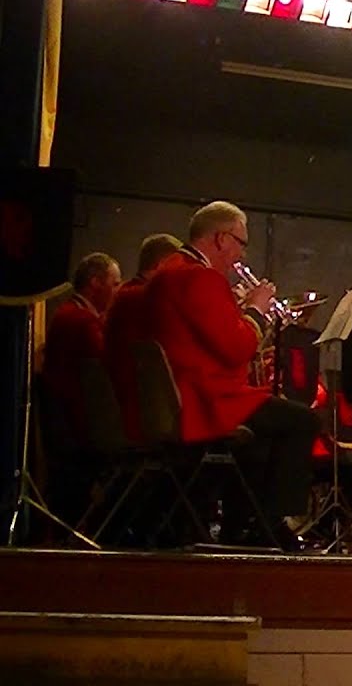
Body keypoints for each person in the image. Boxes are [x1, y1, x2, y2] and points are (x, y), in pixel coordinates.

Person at [143, 201, 319, 546]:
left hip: (186, 391)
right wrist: (254, 309)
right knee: (304, 421)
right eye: (240, 242)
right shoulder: (200, 277)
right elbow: (236, 348)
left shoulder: (170, 271)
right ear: (221, 238)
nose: (240, 255)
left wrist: (235, 311)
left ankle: (246, 522)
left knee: (266, 434)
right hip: (205, 398)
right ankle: (270, 522)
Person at [42, 252, 121, 522]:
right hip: (78, 424)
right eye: (114, 283)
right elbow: (106, 373)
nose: (117, 290)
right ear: (95, 282)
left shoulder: (66, 314)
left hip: (65, 420)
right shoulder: (82, 321)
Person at [104, 234, 182, 442]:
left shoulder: (128, 293)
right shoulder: (145, 297)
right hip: (145, 412)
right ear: (163, 265)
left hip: (129, 406)